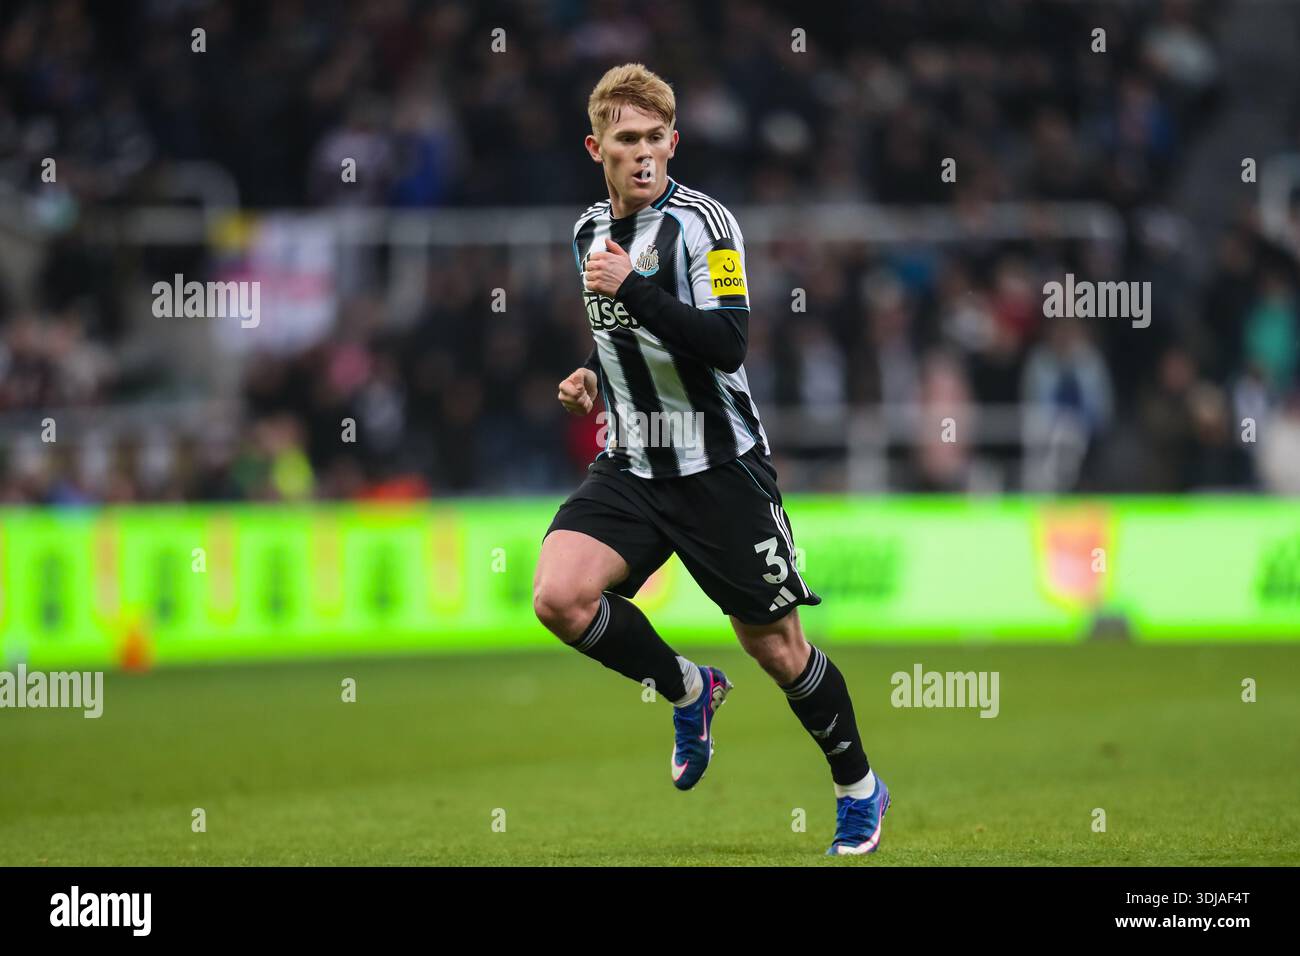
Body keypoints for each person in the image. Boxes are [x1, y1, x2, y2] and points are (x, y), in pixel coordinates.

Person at [532, 63, 889, 855]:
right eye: (627, 140)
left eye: (657, 138)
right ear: (597, 147)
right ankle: (690, 690)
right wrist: (595, 376)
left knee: (778, 650)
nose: (644, 154)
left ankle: (858, 787)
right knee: (559, 597)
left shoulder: (708, 226)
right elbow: (622, 336)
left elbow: (727, 344)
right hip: (633, 462)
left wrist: (631, 290)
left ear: (675, 141)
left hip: (719, 466)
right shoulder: (588, 232)